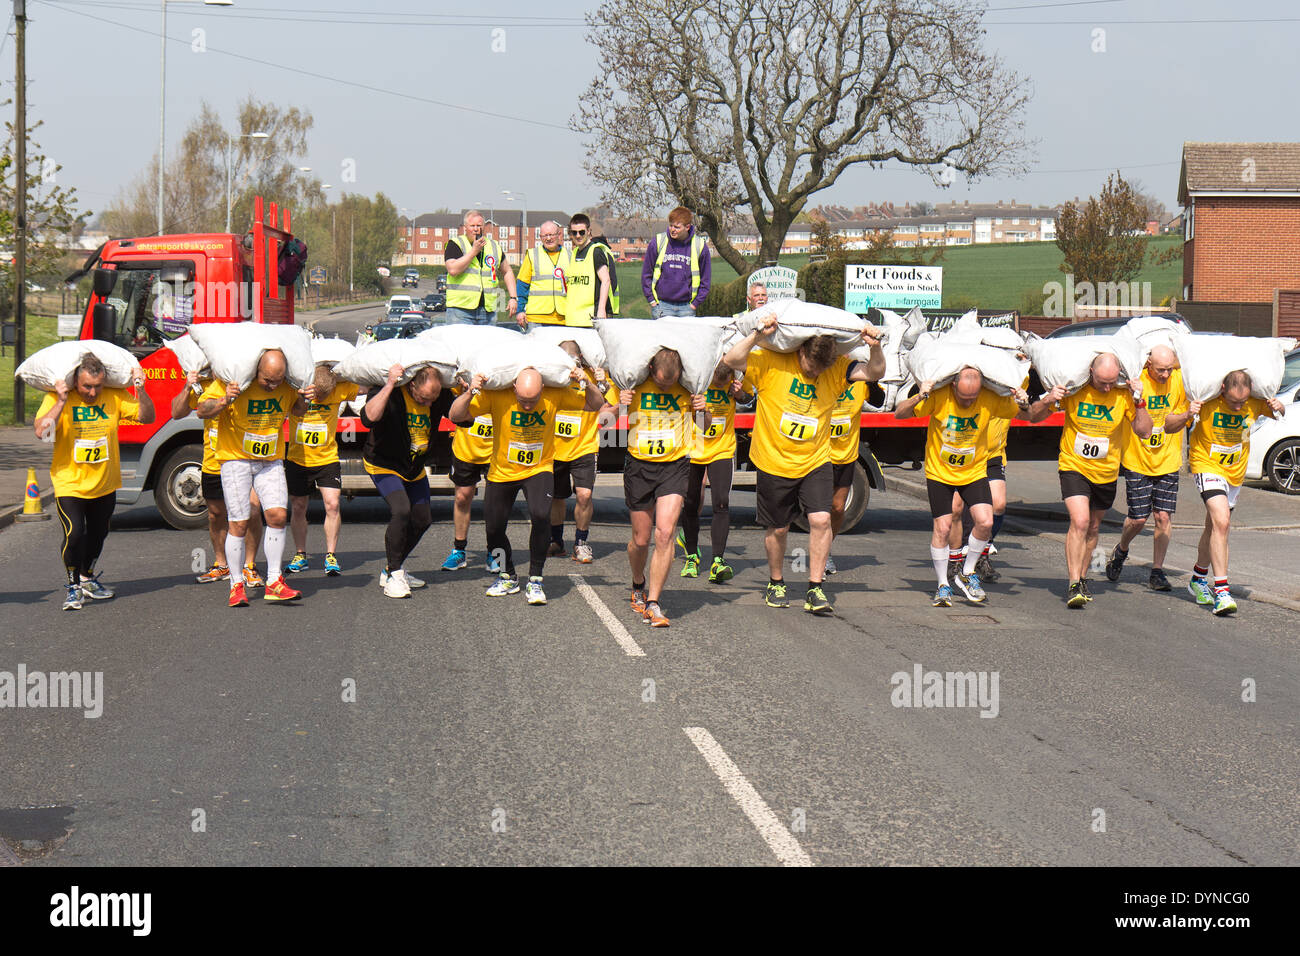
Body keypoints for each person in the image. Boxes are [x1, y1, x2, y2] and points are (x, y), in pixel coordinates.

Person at [722, 316, 885, 615]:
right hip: (774, 460)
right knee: (779, 529)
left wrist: (875, 347)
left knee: (822, 520)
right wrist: (759, 334)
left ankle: (815, 588)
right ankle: (776, 582)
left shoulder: (834, 369)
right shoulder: (772, 361)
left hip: (816, 459)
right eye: (811, 367)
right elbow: (732, 358)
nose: (815, 373)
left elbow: (875, 372)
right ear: (800, 351)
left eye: (821, 369)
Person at [449, 366, 609, 605]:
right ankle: (507, 576)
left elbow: (595, 404)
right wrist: (471, 391)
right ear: (513, 388)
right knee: (493, 527)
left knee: (541, 515)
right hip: (503, 471)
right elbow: (455, 415)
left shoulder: (554, 394)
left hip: (539, 469)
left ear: (543, 389)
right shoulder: (497, 395)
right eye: (522, 400)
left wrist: (587, 381)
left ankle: (535, 579)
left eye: (532, 401)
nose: (527, 406)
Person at [895, 368, 1032, 607]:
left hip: (973, 471)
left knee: (986, 521)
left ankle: (967, 573)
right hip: (940, 473)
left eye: (973, 398)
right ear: (954, 386)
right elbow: (900, 414)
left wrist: (1023, 401)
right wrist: (920, 395)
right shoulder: (939, 396)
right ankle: (942, 585)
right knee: (943, 527)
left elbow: (1027, 415)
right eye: (964, 397)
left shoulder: (989, 397)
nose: (968, 402)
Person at [1027, 353, 1153, 609]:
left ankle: (1083, 577)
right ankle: (1073, 583)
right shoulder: (1075, 390)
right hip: (1074, 465)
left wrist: (1140, 402)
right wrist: (1049, 399)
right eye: (1102, 381)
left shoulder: (1123, 394)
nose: (1107, 387)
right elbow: (1033, 416)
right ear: (1091, 372)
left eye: (1111, 381)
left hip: (1106, 471)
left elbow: (1144, 431)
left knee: (1094, 527)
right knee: (1080, 520)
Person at [35, 353, 155, 610]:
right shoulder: (57, 398)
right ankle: (72, 586)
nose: (92, 392)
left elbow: (147, 417)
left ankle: (86, 577)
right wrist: (60, 401)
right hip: (70, 482)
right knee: (75, 532)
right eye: (87, 386)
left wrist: (140, 389)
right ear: (75, 382)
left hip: (105, 482)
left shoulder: (113, 396)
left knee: (99, 533)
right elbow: (41, 431)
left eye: (97, 386)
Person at [197, 350, 313, 607]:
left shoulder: (287, 385)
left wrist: (306, 400)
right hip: (235, 459)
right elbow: (201, 410)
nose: (272, 386)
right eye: (267, 380)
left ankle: (274, 581)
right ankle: (236, 585)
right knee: (239, 523)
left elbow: (298, 412)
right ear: (257, 371)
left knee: (278, 516)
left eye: (277, 381)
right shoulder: (235, 381)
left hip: (270, 460)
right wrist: (225, 399)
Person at [621, 349, 710, 626]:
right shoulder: (634, 383)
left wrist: (702, 410)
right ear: (650, 369)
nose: (665, 387)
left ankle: (654, 603)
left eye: (669, 383)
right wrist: (620, 405)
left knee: (665, 533)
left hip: (674, 466)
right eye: (660, 383)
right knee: (640, 540)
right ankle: (638, 583)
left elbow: (705, 428)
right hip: (639, 466)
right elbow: (604, 417)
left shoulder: (688, 389)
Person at [1185, 370, 1285, 616]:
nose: (1239, 407)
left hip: (1234, 472)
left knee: (1213, 527)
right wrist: (1188, 413)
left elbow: (1279, 413)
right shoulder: (1207, 402)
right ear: (1221, 390)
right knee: (1222, 522)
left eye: (1243, 402)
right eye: (1233, 402)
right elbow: (1169, 424)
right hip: (1207, 465)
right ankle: (1222, 591)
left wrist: (1279, 406)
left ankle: (1198, 579)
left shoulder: (1253, 403)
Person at [1104, 345, 1193, 591]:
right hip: (1137, 459)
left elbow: (1179, 415)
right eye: (1160, 370)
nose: (1165, 375)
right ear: (1148, 365)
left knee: (1163, 517)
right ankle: (1121, 551)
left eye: (1169, 369)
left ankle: (1157, 571)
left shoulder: (1178, 380)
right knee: (1138, 519)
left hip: (1168, 459)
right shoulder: (1136, 380)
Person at [360, 364, 452, 598]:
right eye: (423, 399)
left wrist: (468, 391)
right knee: (401, 510)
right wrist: (390, 384)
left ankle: (391, 568)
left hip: (414, 467)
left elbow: (463, 419)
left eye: (432, 400)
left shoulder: (437, 396)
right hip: (384, 463)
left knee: (422, 519)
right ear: (411, 385)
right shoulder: (388, 391)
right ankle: (396, 575)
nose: (428, 405)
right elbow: (368, 418)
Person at [171, 369, 264, 586]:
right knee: (215, 514)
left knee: (252, 510)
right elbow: (177, 412)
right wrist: (187, 387)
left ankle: (249, 566)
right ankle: (221, 564)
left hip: (243, 458)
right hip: (214, 462)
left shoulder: (246, 380)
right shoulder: (202, 385)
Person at [285, 363, 359, 576]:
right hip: (298, 459)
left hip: (327, 458)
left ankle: (331, 555)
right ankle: (300, 555)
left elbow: (364, 385)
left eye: (324, 396)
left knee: (333, 505)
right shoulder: (297, 391)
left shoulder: (339, 389)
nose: (320, 400)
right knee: (298, 506)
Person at [548, 339, 619, 563]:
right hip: (556, 448)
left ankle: (581, 542)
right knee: (557, 497)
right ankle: (556, 541)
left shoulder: (594, 375)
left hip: (585, 446)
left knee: (584, 495)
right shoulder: (552, 375)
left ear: (580, 358)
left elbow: (611, 409)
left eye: (573, 359)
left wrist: (595, 383)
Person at [680, 362, 746, 583]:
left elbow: (750, 399)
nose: (721, 386)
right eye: (717, 383)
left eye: (724, 383)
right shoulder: (697, 383)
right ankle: (691, 556)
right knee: (691, 502)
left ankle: (718, 560)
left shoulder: (735, 380)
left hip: (722, 450)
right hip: (694, 448)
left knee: (721, 502)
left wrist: (741, 393)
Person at [441, 376, 499, 574]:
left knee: (495, 503)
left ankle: (494, 551)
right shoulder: (467, 375)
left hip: (496, 451)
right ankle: (459, 550)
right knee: (462, 497)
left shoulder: (502, 377)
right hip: (466, 449)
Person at [444, 210, 518, 325]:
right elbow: (453, 270)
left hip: (488, 310)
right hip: (460, 310)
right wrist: (474, 251)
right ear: (465, 227)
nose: (476, 229)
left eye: (479, 225)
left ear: (484, 227)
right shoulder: (456, 244)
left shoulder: (494, 246)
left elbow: (507, 271)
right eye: (472, 226)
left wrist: (513, 297)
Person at [642, 206, 710, 318]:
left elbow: (705, 280)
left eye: (677, 227)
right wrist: (652, 302)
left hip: (687, 308)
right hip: (662, 306)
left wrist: (695, 304)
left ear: (687, 227)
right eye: (671, 225)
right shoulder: (658, 242)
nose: (672, 229)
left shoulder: (700, 246)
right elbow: (646, 274)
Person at [514, 221, 571, 328]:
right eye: (545, 235)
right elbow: (522, 285)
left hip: (563, 318)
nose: (548, 238)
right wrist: (520, 310)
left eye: (551, 235)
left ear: (559, 235)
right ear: (540, 237)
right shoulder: (532, 255)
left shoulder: (570, 256)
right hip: (536, 319)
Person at [565, 214, 618, 326]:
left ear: (589, 231)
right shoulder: (574, 254)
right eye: (574, 232)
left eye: (581, 232)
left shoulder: (596, 252)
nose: (578, 236)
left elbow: (606, 280)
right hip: (574, 317)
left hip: (591, 317)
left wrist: (601, 310)